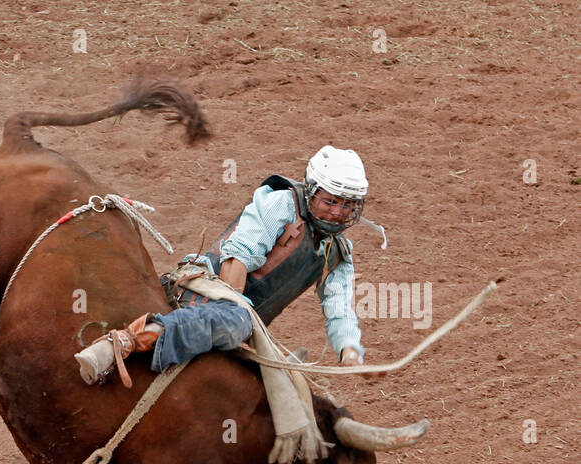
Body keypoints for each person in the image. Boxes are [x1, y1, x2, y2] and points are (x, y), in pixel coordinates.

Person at [75, 145, 377, 384]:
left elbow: (340, 310)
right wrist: (233, 314)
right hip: (206, 289)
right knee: (237, 321)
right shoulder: (281, 204)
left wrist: (351, 354)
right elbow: (238, 255)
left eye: (348, 204)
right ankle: (126, 341)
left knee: (286, 393)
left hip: (243, 324)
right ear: (312, 191)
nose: (338, 212)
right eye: (331, 201)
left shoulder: (338, 252)